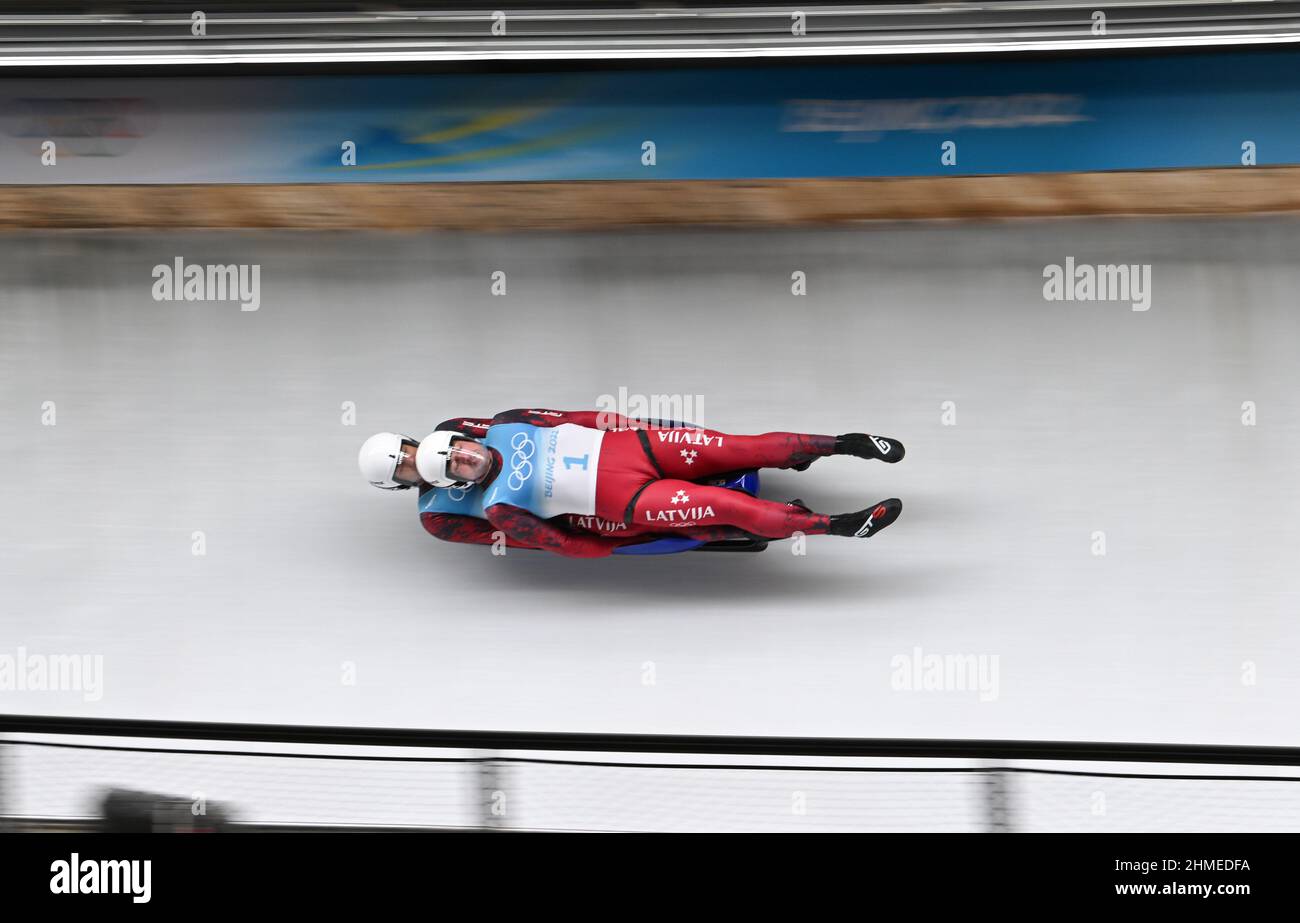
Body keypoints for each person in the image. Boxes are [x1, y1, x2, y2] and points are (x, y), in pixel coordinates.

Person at [358, 408, 903, 558]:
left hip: (630, 448)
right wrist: (603, 544)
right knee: (722, 505)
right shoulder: (488, 507)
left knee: (744, 447)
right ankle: (840, 526)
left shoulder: (500, 425)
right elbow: (547, 540)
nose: (465, 459)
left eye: (457, 451)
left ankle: (844, 443)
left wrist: (627, 423)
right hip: (620, 499)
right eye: (408, 467)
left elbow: (570, 416)